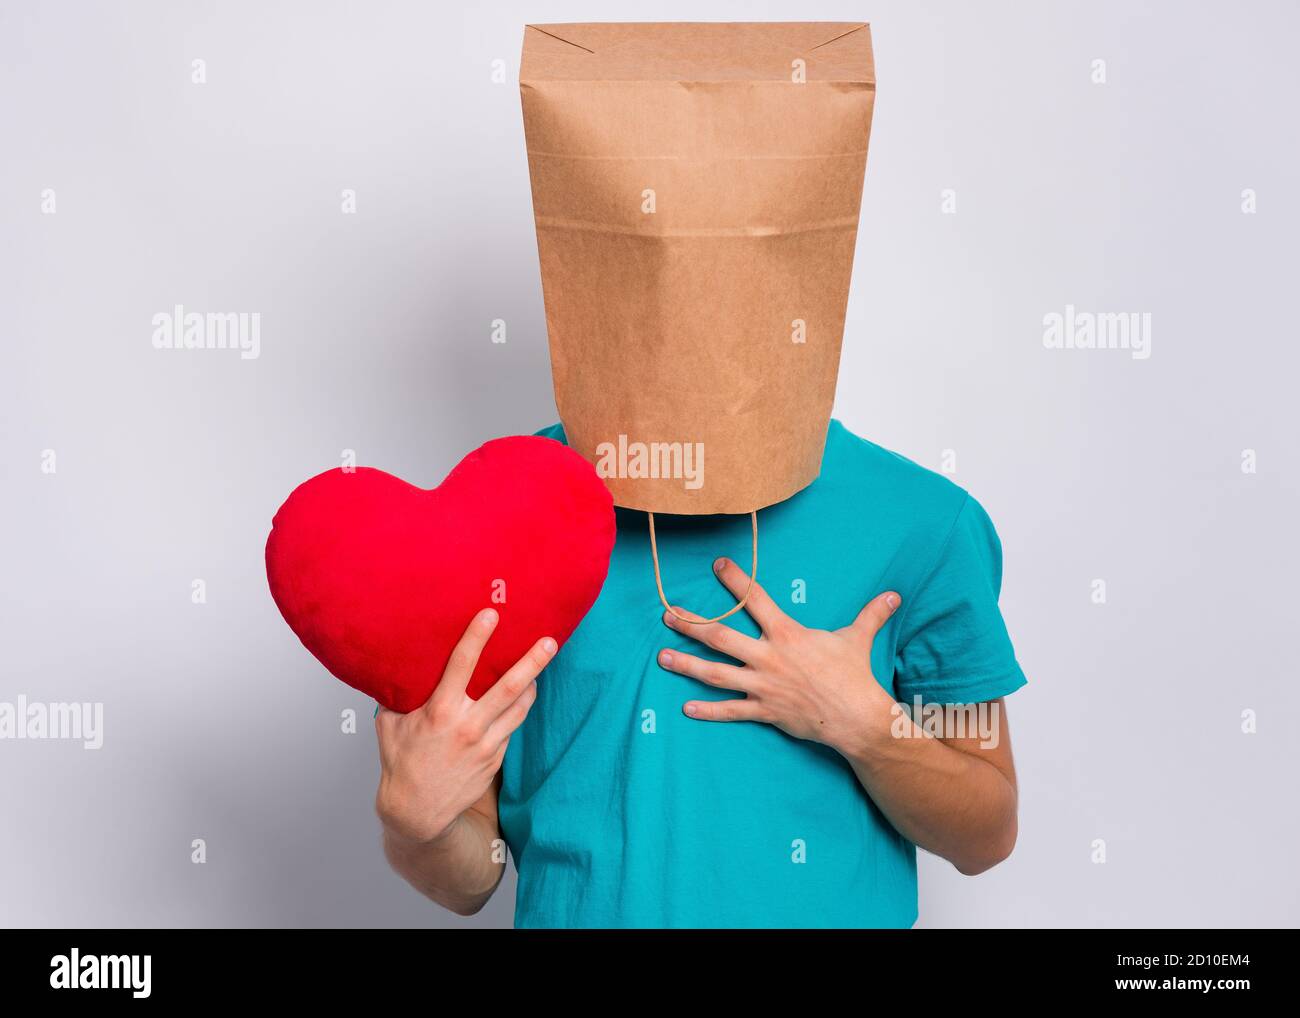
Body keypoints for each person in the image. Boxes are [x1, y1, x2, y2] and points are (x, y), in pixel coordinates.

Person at [376, 418, 1026, 927]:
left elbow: (986, 834)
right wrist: (416, 827)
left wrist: (866, 726)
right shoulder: (505, 509)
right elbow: (471, 881)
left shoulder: (927, 522)